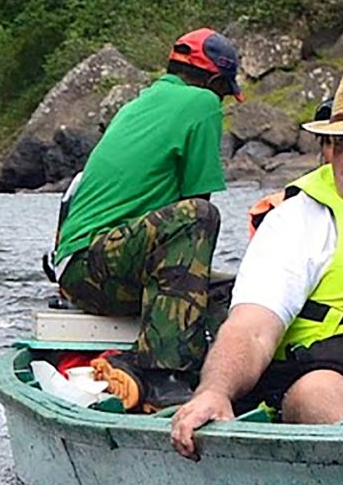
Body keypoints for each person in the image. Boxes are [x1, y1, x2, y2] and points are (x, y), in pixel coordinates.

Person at [168, 67, 343, 457]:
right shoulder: (299, 220)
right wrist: (214, 391)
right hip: (323, 380)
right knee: (316, 391)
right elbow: (251, 329)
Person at [48, 29, 240, 409]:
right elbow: (195, 206)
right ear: (216, 82)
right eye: (223, 91)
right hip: (96, 265)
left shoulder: (140, 102)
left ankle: (202, 374)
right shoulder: (202, 102)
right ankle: (161, 375)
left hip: (81, 269)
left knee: (233, 291)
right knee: (200, 216)